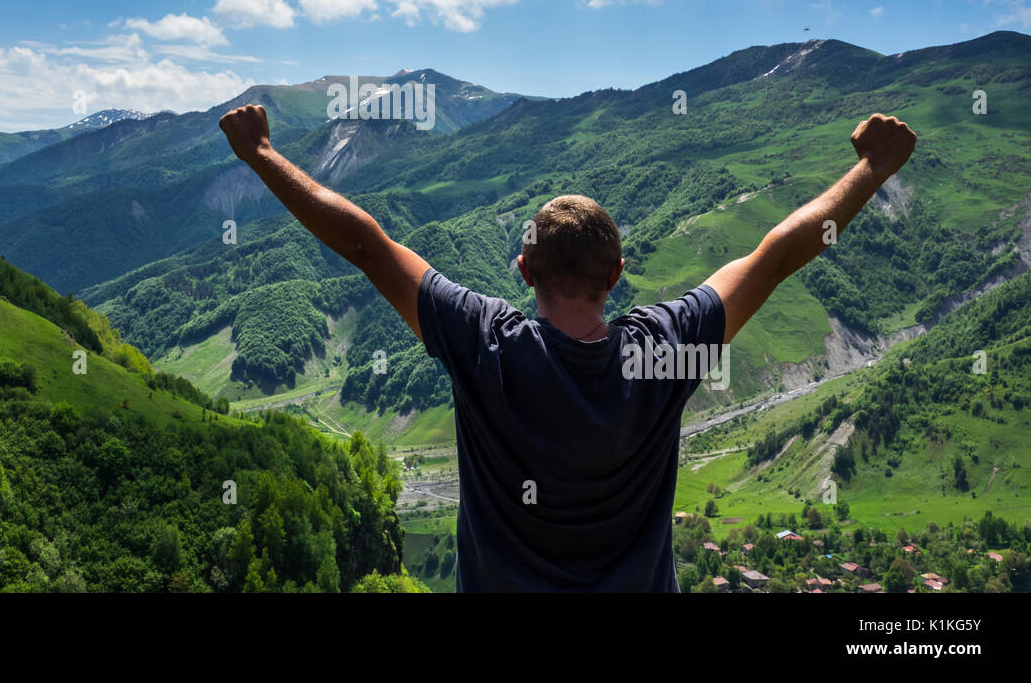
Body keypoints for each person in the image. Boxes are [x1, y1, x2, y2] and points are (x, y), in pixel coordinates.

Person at [219, 104, 916, 592]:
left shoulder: (483, 340)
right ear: (616, 275)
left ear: (523, 272)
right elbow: (775, 255)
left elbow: (367, 244)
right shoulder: (663, 351)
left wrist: (262, 155)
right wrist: (872, 169)